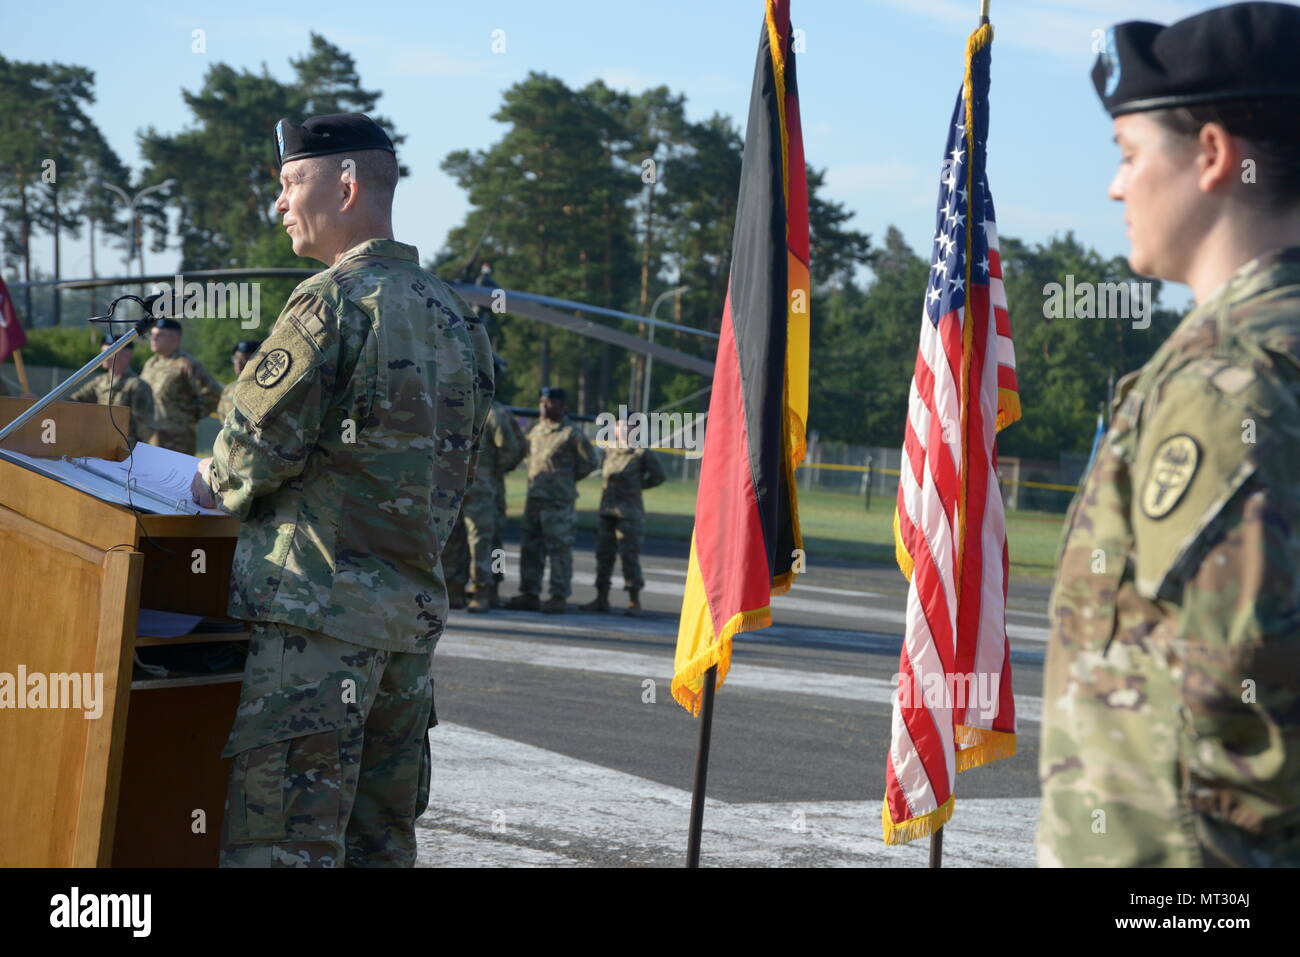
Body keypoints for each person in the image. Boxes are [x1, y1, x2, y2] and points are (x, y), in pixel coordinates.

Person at [190, 112, 493, 867]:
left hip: (316, 632)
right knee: (378, 848)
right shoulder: (458, 319)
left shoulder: (329, 302)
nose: (281, 202)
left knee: (285, 847)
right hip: (405, 640)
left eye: (293, 182)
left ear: (347, 185)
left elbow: (242, 456)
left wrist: (199, 478)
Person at [1039, 1, 1300, 867]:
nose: (1115, 186)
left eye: (1127, 155)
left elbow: (1234, 726)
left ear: (1216, 155)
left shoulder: (1228, 383)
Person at [504, 386, 600, 613]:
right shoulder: (537, 431)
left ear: (562, 406)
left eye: (550, 403)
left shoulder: (571, 433)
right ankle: (529, 592)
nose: (544, 406)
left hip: (558, 502)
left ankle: (558, 596)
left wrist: (565, 480)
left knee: (559, 550)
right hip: (535, 499)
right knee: (530, 547)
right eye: (542, 402)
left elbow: (591, 462)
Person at [443, 354, 526, 613]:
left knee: (481, 543)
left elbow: (511, 451)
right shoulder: (456, 407)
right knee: (456, 540)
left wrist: (490, 472)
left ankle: (482, 591)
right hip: (460, 486)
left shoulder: (494, 414)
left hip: (477, 489)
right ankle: (454, 590)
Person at [581, 417, 665, 616]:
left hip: (629, 514)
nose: (622, 429)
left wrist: (637, 488)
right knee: (603, 555)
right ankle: (601, 598)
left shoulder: (641, 453)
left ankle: (634, 601)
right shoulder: (609, 450)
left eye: (627, 426)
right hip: (607, 512)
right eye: (619, 425)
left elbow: (658, 476)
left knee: (629, 557)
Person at [140, 317, 222, 453]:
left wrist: (189, 417)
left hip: (178, 440)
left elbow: (212, 393)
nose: (153, 339)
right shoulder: (150, 364)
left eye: (160, 335)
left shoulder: (186, 364)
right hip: (150, 438)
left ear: (175, 339)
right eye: (152, 335)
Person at [68, 336, 156, 447]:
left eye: (108, 353)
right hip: (101, 446)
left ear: (126, 355)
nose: (103, 357)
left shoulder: (137, 386)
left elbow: (145, 429)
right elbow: (73, 401)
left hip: (125, 451)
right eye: (102, 353)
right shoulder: (99, 382)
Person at [216, 339, 263, 420]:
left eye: (244, 358)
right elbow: (223, 418)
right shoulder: (228, 390)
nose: (238, 363)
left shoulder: (265, 384)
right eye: (236, 358)